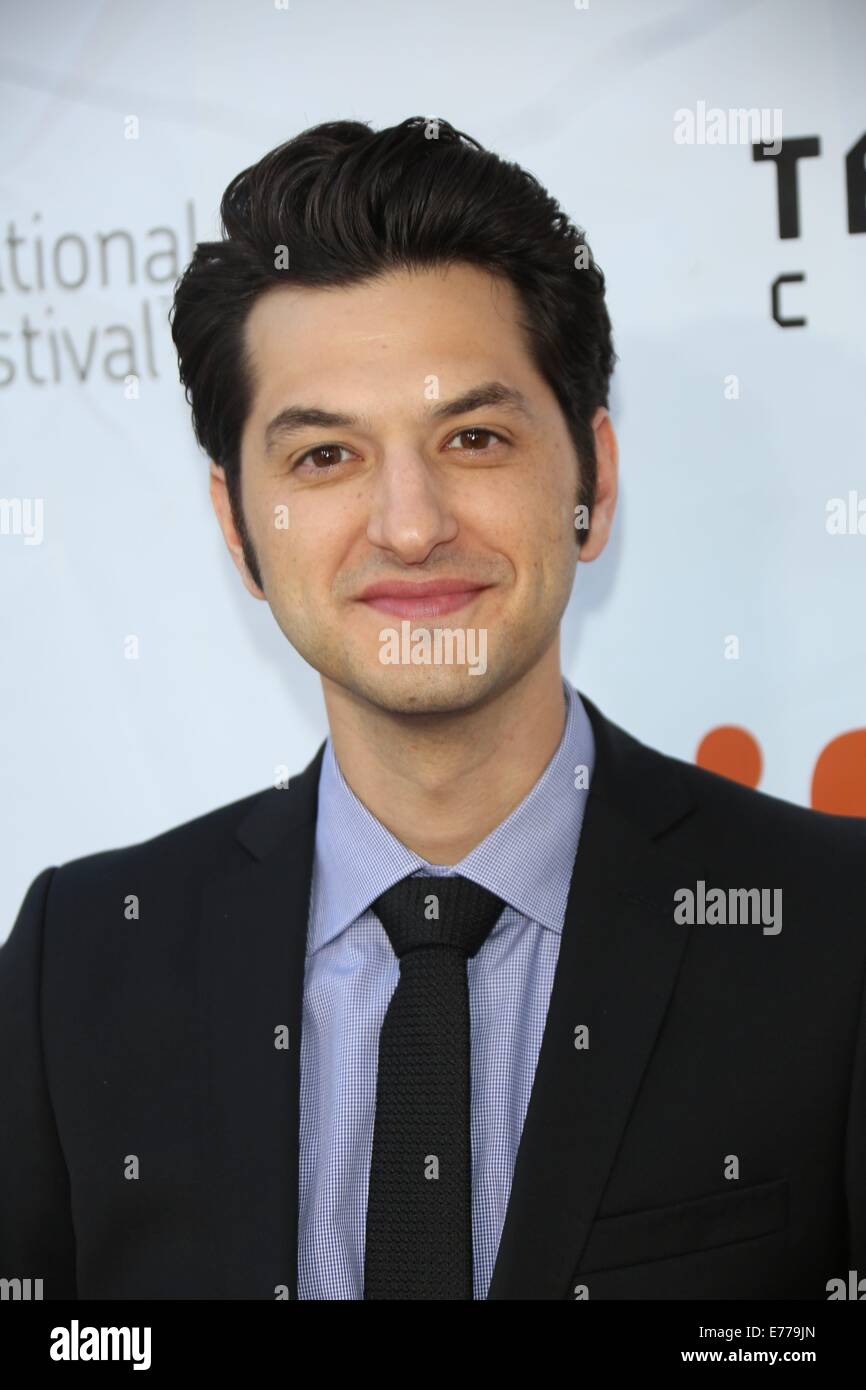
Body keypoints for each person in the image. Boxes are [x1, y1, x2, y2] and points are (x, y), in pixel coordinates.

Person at [2, 116, 864, 1302]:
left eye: (472, 436)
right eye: (323, 458)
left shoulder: (830, 929)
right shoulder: (79, 961)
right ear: (237, 529)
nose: (409, 524)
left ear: (591, 482)